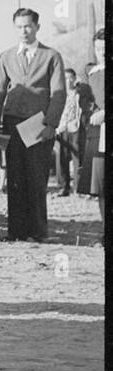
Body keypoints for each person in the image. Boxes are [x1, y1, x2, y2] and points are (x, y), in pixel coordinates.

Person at [0, 8, 66, 243]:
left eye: (28, 26)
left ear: (37, 27)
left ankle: (38, 231)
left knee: (37, 177)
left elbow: (59, 93)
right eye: (19, 27)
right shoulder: (7, 56)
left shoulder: (52, 56)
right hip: (11, 123)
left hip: (38, 123)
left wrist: (51, 123)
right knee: (16, 177)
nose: (24, 31)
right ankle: (16, 231)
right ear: (14, 28)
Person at [84, 27, 105, 240]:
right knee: (101, 186)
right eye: (98, 48)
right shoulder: (91, 74)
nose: (102, 52)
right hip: (99, 136)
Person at [54, 69, 85, 197]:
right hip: (61, 128)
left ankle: (78, 188)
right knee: (61, 158)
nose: (68, 81)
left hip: (75, 127)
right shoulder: (58, 93)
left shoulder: (79, 93)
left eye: (70, 78)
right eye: (65, 78)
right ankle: (63, 186)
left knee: (77, 158)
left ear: (74, 78)